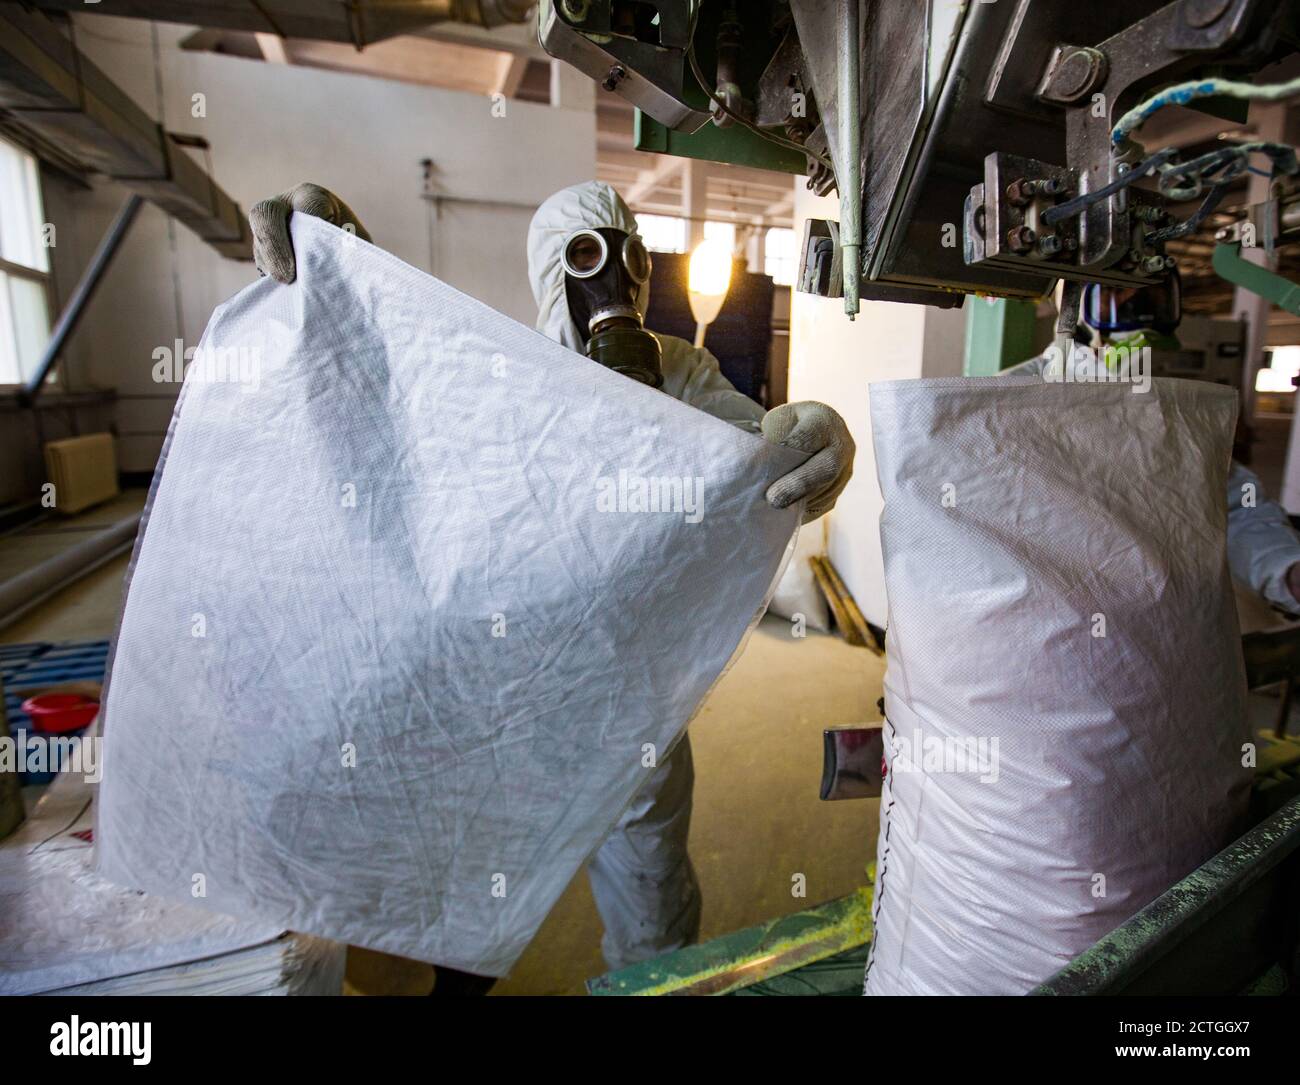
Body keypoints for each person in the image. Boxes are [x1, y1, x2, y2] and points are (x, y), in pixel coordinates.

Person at [247, 179, 856, 991]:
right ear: (549, 273)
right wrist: (341, 270)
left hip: (635, 696)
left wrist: (820, 438)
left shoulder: (678, 372)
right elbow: (396, 389)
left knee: (652, 902)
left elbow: (763, 452)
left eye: (630, 257)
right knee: (471, 897)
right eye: (585, 256)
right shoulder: (507, 374)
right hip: (511, 694)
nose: (615, 283)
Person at [1005, 336, 1300, 618]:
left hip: (1162, 641)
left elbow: (1231, 510)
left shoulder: (1154, 431)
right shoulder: (996, 427)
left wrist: (1285, 569)